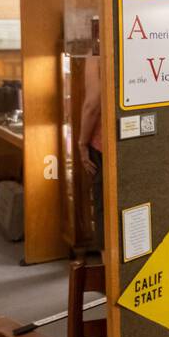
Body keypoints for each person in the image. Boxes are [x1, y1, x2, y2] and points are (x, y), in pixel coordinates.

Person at [77, 50, 104, 254]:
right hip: (137, 143)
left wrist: (82, 143)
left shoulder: (96, 54)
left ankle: (108, 272)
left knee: (105, 209)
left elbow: (92, 104)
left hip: (104, 144)